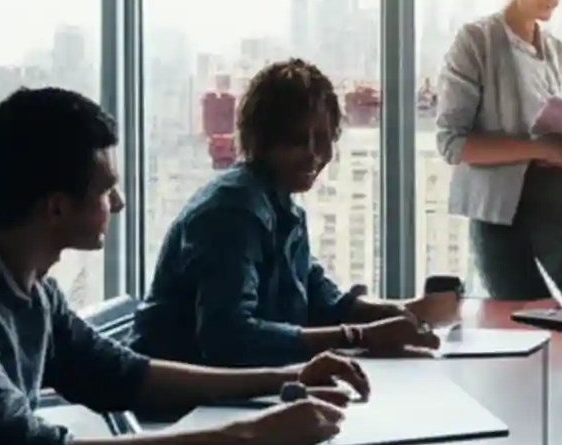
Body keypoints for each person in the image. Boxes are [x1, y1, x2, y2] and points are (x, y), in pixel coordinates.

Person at [0, 87, 373, 445]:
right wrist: (244, 438)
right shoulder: (235, 208)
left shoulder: (38, 293)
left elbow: (120, 374)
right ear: (57, 208)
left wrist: (289, 377)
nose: (119, 203)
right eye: (106, 191)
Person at [134, 60, 453, 367]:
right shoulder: (232, 212)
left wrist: (410, 312)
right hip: (184, 409)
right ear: (261, 141)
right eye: (297, 141)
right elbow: (228, 340)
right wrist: (359, 336)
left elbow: (325, 303)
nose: (314, 155)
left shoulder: (281, 206)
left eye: (324, 140)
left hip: (243, 391)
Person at [435, 0, 562, 299]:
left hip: (561, 201)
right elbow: (453, 144)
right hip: (502, 211)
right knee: (510, 317)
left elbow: (546, 120)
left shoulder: (556, 50)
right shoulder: (477, 41)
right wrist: (544, 150)